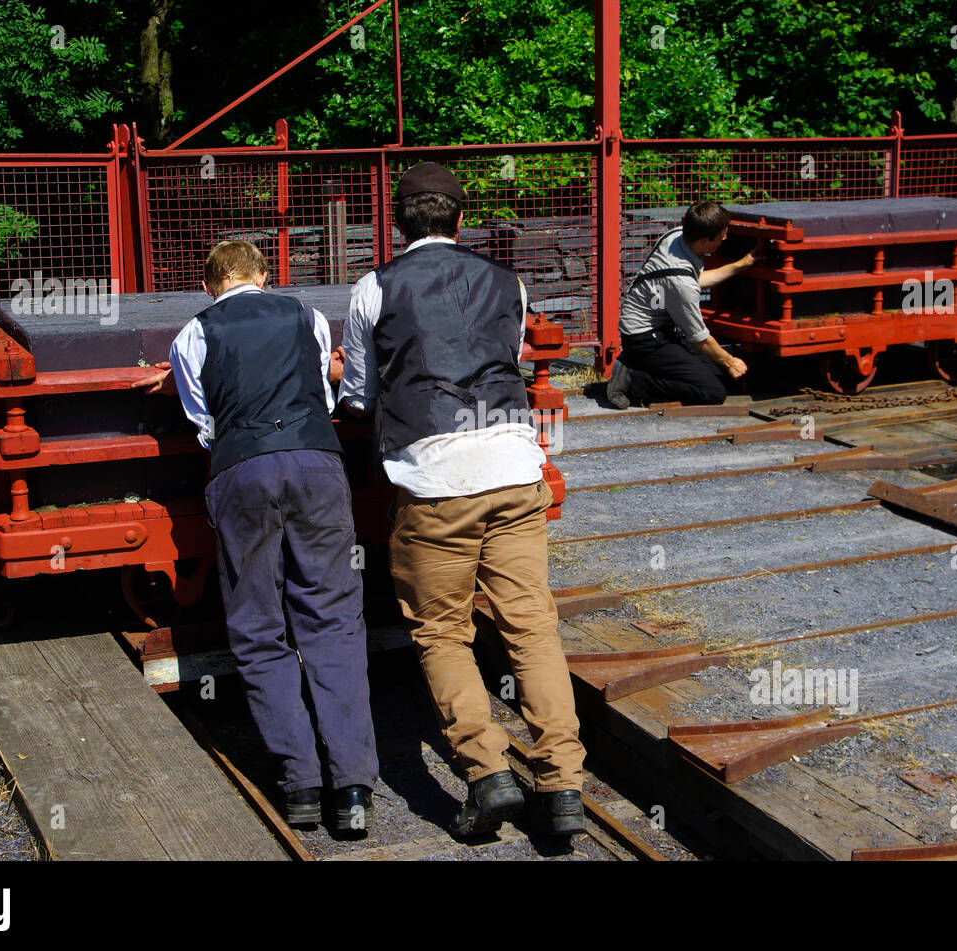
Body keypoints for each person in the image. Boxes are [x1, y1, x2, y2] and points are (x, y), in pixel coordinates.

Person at [337, 162, 587, 839]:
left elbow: (358, 395)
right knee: (532, 627)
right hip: (513, 465)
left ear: (397, 222)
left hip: (434, 481)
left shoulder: (373, 288)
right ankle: (563, 786)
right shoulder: (510, 282)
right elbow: (502, 359)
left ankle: (487, 773)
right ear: (459, 218)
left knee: (443, 631)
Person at [134, 240, 378, 833]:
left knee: (258, 626)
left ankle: (299, 787)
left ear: (210, 284)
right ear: (264, 276)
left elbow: (204, 423)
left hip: (243, 471)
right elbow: (323, 394)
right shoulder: (309, 317)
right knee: (333, 621)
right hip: (318, 465)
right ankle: (351, 790)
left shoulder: (192, 336)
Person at [606, 200, 755, 409]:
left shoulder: (677, 236)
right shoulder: (681, 283)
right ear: (704, 241)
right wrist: (731, 361)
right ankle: (632, 380)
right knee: (713, 392)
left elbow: (693, 281)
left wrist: (742, 265)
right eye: (721, 235)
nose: (725, 237)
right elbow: (699, 339)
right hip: (644, 340)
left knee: (719, 373)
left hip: (660, 331)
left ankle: (638, 367)